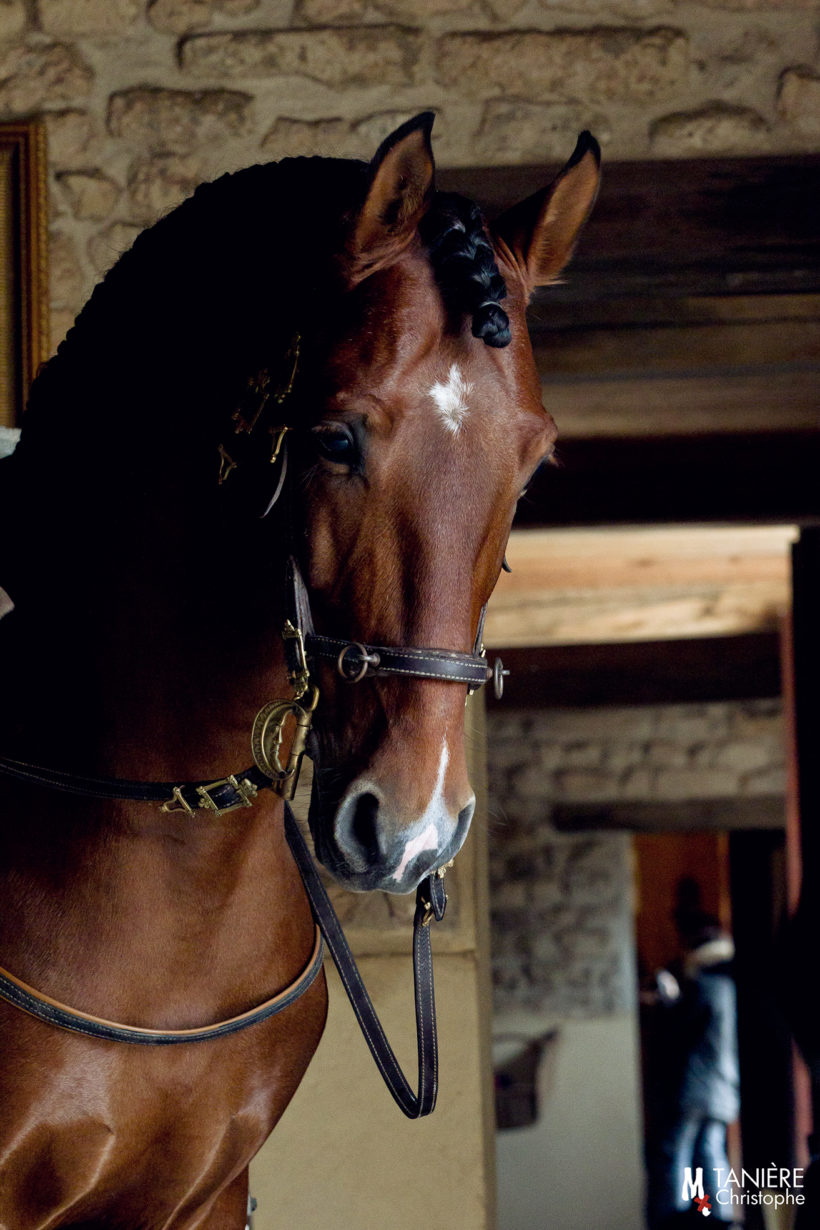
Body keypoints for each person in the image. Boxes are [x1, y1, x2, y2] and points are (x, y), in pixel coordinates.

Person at [647, 906, 740, 1229]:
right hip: (723, 1086)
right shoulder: (731, 987)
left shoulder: (706, 986)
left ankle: (678, 1217)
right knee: (711, 1154)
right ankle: (717, 1217)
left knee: (678, 1154)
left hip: (695, 1087)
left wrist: (667, 1003)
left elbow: (679, 1031)